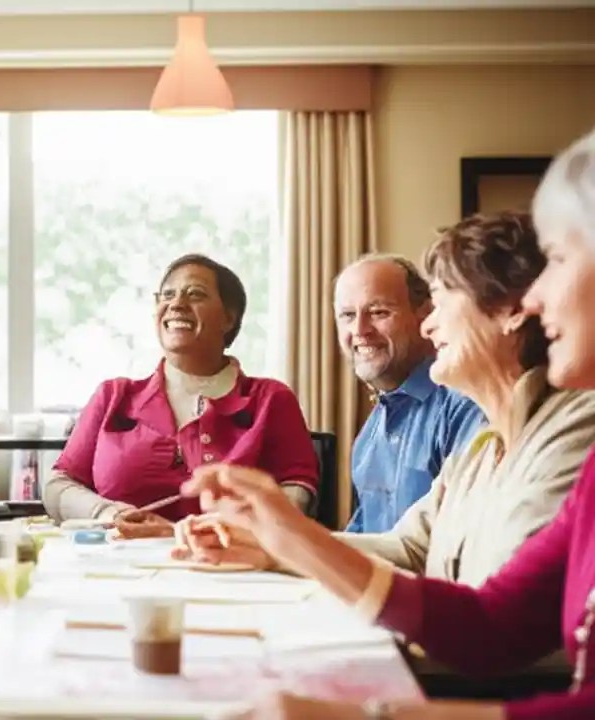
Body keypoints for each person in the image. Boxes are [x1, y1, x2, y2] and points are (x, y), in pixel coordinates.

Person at [192, 128, 595, 719]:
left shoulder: (576, 428)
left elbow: (488, 621)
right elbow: (490, 620)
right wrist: (281, 538)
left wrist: (374, 715)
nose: (538, 297)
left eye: (559, 260)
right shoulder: (489, 446)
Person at [176, 212, 595, 591]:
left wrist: (284, 534)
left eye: (442, 300)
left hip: (473, 675)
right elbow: (407, 549)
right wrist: (268, 543)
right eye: (346, 315)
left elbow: (498, 618)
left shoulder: (575, 428)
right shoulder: (483, 449)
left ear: (511, 311)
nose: (430, 325)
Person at [43, 253, 318, 537]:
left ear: (228, 318)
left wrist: (224, 531)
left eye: (195, 294)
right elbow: (58, 486)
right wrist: (109, 512)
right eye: (167, 295)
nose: (176, 304)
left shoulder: (271, 399)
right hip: (122, 565)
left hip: (230, 564)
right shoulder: (113, 396)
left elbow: (297, 492)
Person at [335, 255, 484, 533]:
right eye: (347, 316)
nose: (359, 330)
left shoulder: (466, 407)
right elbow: (360, 538)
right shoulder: (368, 437)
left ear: (425, 314)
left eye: (378, 312)